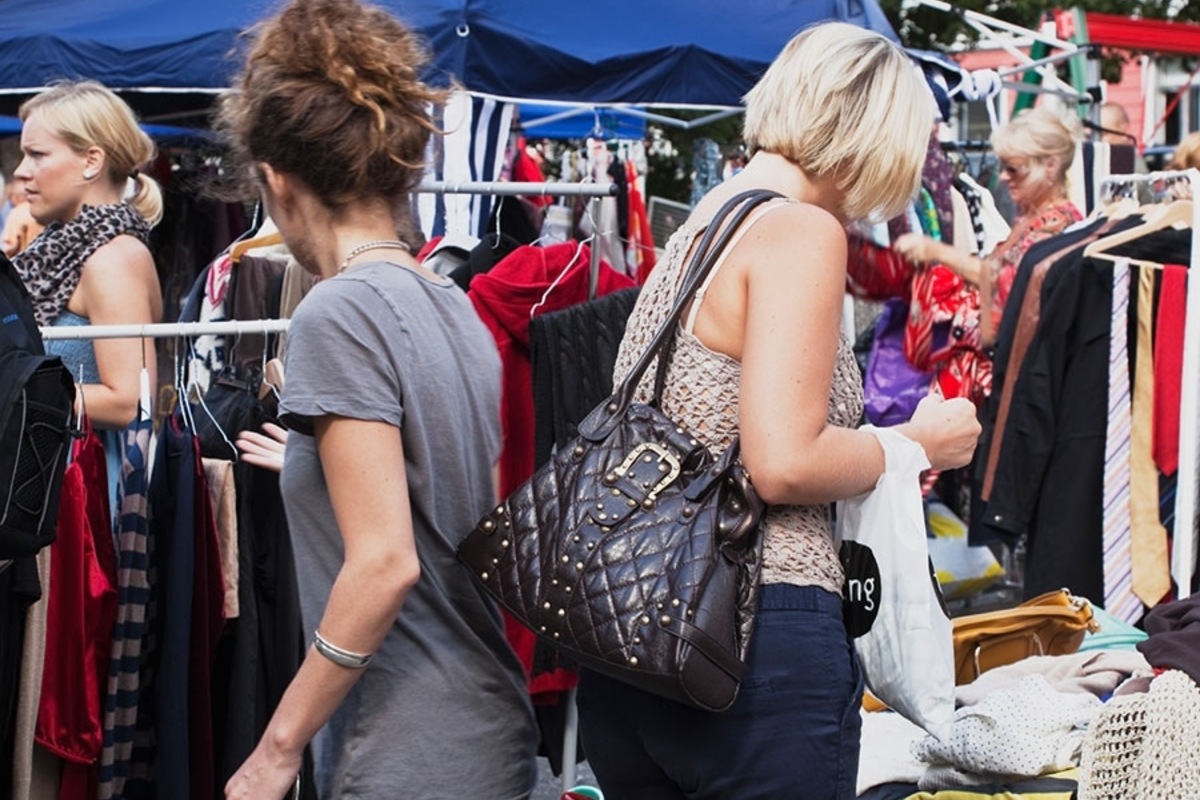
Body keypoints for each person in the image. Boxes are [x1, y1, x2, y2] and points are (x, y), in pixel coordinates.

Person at [576, 22, 981, 800]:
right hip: (753, 634)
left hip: (637, 628)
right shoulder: (798, 229)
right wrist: (913, 445)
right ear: (871, 136)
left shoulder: (704, 222)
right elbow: (784, 461)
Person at [214, 1, 539, 798]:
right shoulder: (449, 302)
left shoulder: (337, 310)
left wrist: (275, 751)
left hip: (408, 745)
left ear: (277, 179)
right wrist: (318, 461)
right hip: (482, 724)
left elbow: (386, 563)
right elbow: (440, 502)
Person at [12, 80, 163, 433]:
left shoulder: (113, 259)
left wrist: (11, 390)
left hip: (76, 477)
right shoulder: (66, 250)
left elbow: (130, 403)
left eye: (37, 154)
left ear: (91, 161)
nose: (21, 170)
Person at [893, 106, 1083, 346]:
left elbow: (1007, 284)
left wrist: (938, 252)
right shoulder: (1035, 217)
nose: (1003, 176)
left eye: (1013, 168)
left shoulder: (1057, 226)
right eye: (1003, 167)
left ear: (1051, 166)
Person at [1, 175, 46, 256]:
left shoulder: (16, 214)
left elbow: (9, 247)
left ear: (15, 197)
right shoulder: (44, 211)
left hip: (22, 262)